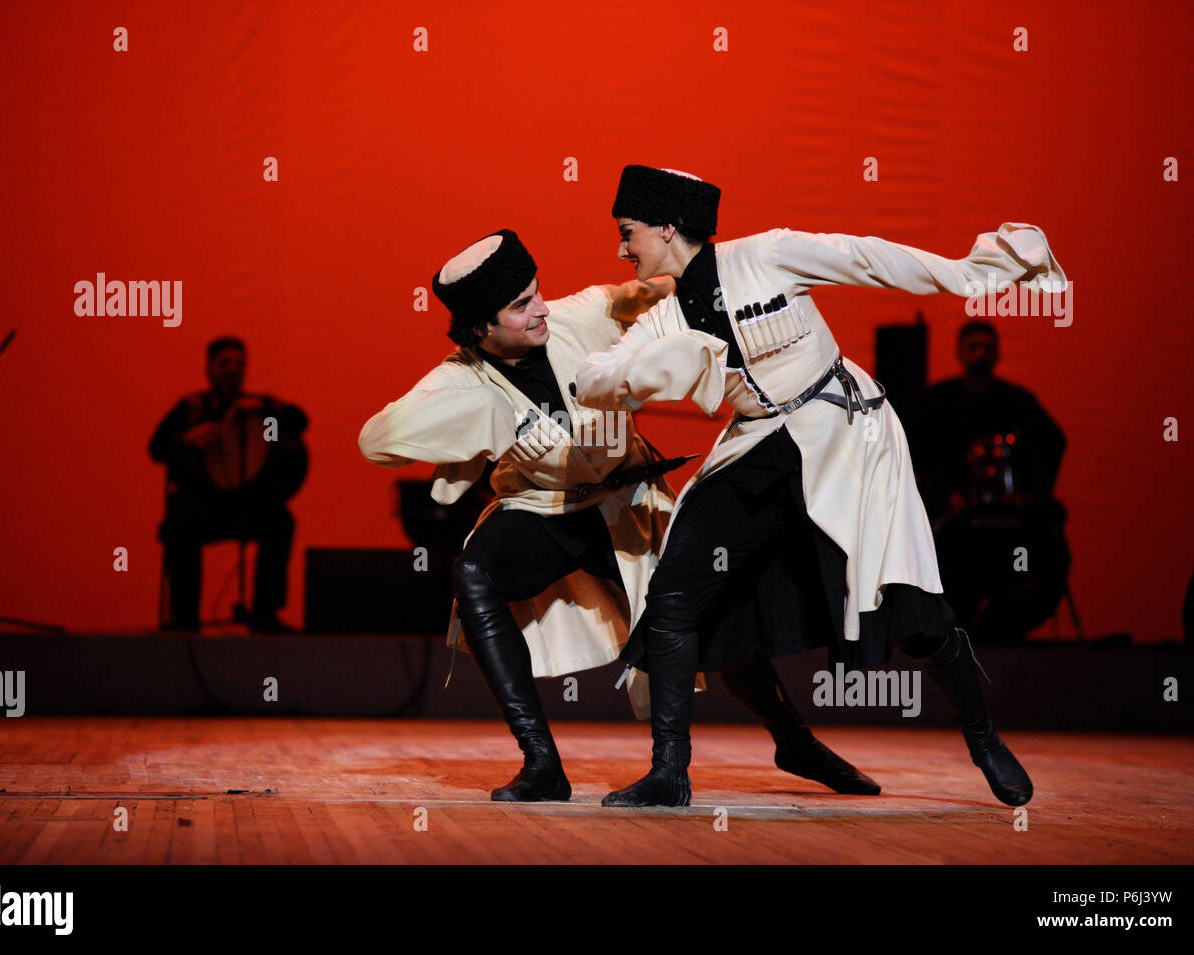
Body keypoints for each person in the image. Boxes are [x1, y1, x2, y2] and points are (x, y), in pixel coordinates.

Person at [576, 164, 1068, 807]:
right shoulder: (666, 318)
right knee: (676, 598)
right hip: (757, 449)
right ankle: (672, 773)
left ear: (667, 229)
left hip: (841, 436)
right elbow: (594, 377)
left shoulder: (769, 255)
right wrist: (658, 365)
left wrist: (971, 274)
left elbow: (870, 258)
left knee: (914, 614)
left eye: (629, 232)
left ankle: (983, 739)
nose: (622, 247)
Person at [359, 229, 878, 802]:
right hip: (544, 511)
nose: (539, 311)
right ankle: (542, 764)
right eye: (520, 305)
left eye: (536, 292)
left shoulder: (577, 316)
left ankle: (792, 739)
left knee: (703, 611)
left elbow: (654, 290)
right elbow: (376, 439)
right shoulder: (462, 379)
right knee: (473, 575)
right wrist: (481, 413)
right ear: (481, 328)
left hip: (624, 505)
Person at [913, 320, 1069, 642]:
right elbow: (913, 454)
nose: (981, 354)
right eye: (974, 347)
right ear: (960, 352)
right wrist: (944, 494)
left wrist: (1032, 492)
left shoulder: (1017, 401)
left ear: (997, 353)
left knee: (1049, 543)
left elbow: (1054, 441)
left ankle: (999, 627)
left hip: (1011, 516)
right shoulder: (938, 402)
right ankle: (954, 628)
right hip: (954, 516)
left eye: (988, 347)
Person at [149, 336, 308, 632]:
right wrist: (187, 439)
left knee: (280, 522)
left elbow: (301, 421)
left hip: (244, 504)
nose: (233, 369)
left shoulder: (259, 406)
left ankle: (265, 614)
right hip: (203, 503)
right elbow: (156, 448)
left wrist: (269, 408)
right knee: (180, 526)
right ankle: (184, 620)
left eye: (239, 363)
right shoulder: (191, 408)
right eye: (225, 363)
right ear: (208, 369)